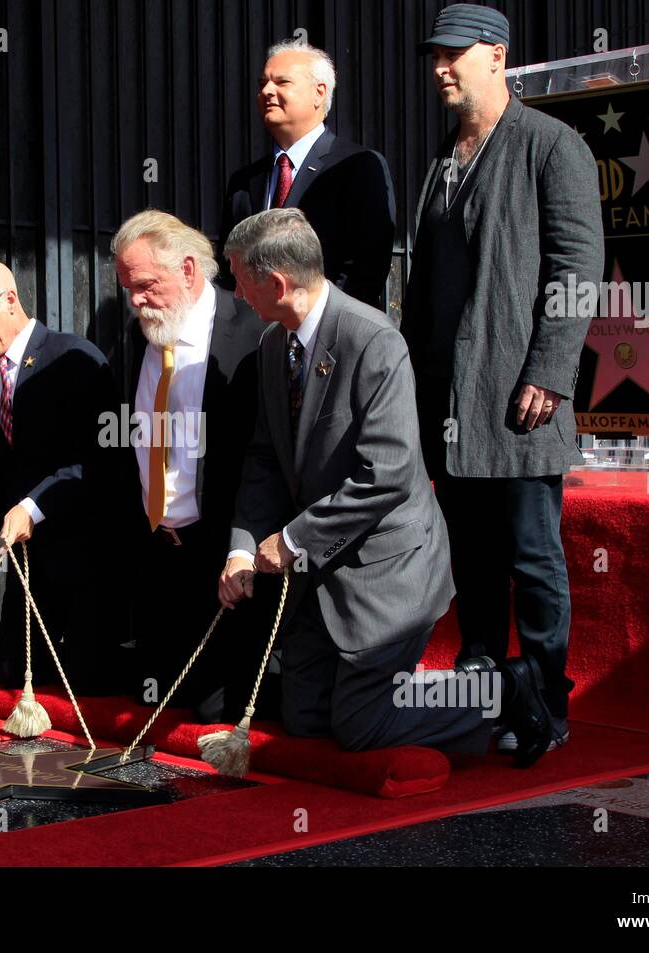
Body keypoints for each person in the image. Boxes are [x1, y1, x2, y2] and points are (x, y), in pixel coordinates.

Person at [219, 208, 557, 765]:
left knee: (358, 726)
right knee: (303, 719)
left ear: (276, 283)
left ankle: (499, 690)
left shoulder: (374, 341)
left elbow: (389, 474)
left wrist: (293, 540)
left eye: (239, 277)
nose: (235, 292)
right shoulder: (272, 349)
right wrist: (240, 546)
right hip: (321, 579)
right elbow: (265, 458)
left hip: (387, 573)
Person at [401, 4, 605, 755]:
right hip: (452, 409)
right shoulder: (441, 160)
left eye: (455, 54)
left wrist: (550, 372)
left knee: (532, 560)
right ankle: (486, 698)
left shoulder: (553, 147)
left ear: (497, 55)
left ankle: (546, 707)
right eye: (435, 57)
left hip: (521, 401)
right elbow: (424, 291)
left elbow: (578, 271)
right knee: (476, 566)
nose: (441, 69)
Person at [0, 258, 141, 694]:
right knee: (17, 678)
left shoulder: (74, 359)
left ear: (9, 299)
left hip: (87, 556)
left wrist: (34, 507)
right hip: (30, 562)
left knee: (89, 685)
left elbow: (99, 459)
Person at [111, 210, 272, 721]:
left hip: (224, 556)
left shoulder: (251, 332)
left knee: (216, 714)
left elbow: (264, 455)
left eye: (145, 285)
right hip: (159, 553)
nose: (135, 300)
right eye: (127, 288)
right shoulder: (142, 333)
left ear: (187, 269)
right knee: (158, 708)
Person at [219, 39, 395, 309]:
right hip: (257, 342)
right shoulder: (245, 182)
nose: (266, 91)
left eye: (282, 82)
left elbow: (365, 268)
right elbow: (229, 269)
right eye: (262, 83)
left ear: (319, 93)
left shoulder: (357, 167)